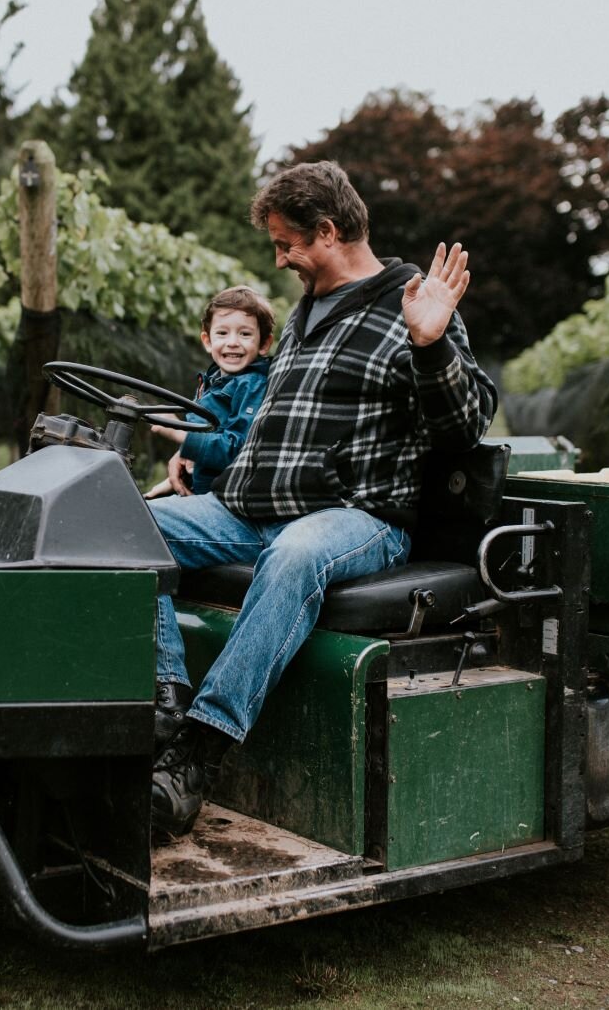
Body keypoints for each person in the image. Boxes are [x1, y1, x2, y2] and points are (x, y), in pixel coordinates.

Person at [147, 160, 497, 839]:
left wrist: (430, 346)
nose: (280, 260)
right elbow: (272, 424)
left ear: (329, 231)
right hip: (249, 509)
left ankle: (197, 751)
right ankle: (166, 699)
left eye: (287, 245)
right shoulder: (305, 311)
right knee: (129, 526)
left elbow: (466, 426)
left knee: (295, 553)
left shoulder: (414, 305)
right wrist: (196, 452)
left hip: (357, 517)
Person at [144, 285, 276, 500]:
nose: (232, 342)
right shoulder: (213, 381)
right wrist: (175, 480)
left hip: (224, 499)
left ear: (264, 344)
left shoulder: (251, 385)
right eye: (222, 333)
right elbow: (209, 442)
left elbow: (238, 450)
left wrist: (178, 432)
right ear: (207, 341)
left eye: (245, 334)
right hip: (198, 490)